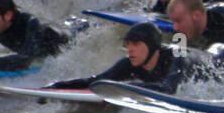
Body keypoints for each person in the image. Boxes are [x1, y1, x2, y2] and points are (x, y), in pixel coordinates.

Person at [45, 21, 212, 93]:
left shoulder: (178, 57)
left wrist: (126, 88)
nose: (130, 50)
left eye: (136, 44)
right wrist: (56, 86)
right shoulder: (131, 62)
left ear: (152, 46)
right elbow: (95, 81)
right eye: (128, 44)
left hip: (222, 59)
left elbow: (169, 89)